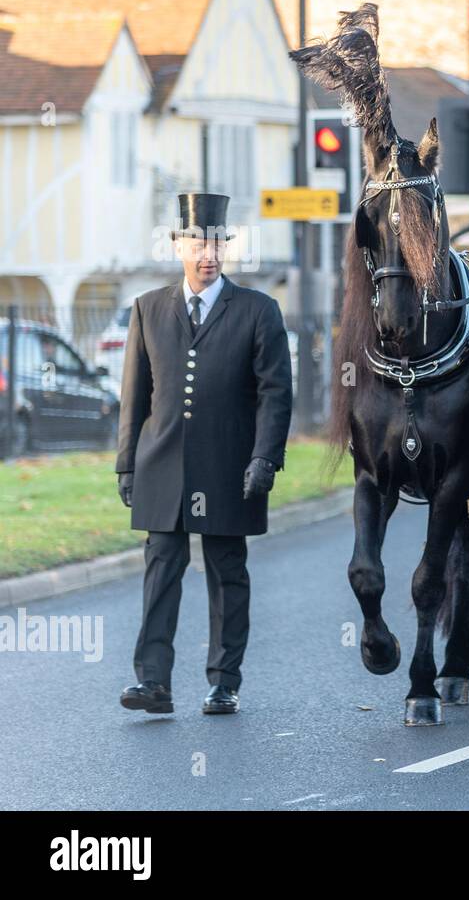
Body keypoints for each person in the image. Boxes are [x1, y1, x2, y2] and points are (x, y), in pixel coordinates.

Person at [116, 193, 293, 715]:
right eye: (196, 242)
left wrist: (265, 458)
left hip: (229, 464)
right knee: (161, 568)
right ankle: (154, 683)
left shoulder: (260, 311)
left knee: (226, 570)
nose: (207, 252)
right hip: (161, 462)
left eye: (216, 242)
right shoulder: (147, 309)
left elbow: (275, 393)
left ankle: (223, 682)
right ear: (178, 246)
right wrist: (127, 462)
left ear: (226, 248)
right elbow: (135, 395)